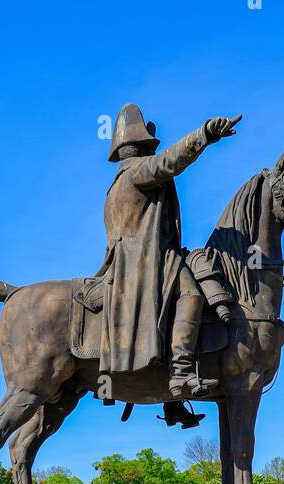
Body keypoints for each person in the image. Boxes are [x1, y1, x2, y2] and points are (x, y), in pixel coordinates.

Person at [98, 104, 241, 398]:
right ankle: (182, 373)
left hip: (128, 262)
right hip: (147, 259)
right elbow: (171, 160)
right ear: (141, 145)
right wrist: (204, 135)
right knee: (190, 296)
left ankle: (170, 395)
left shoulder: (115, 186)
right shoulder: (139, 171)